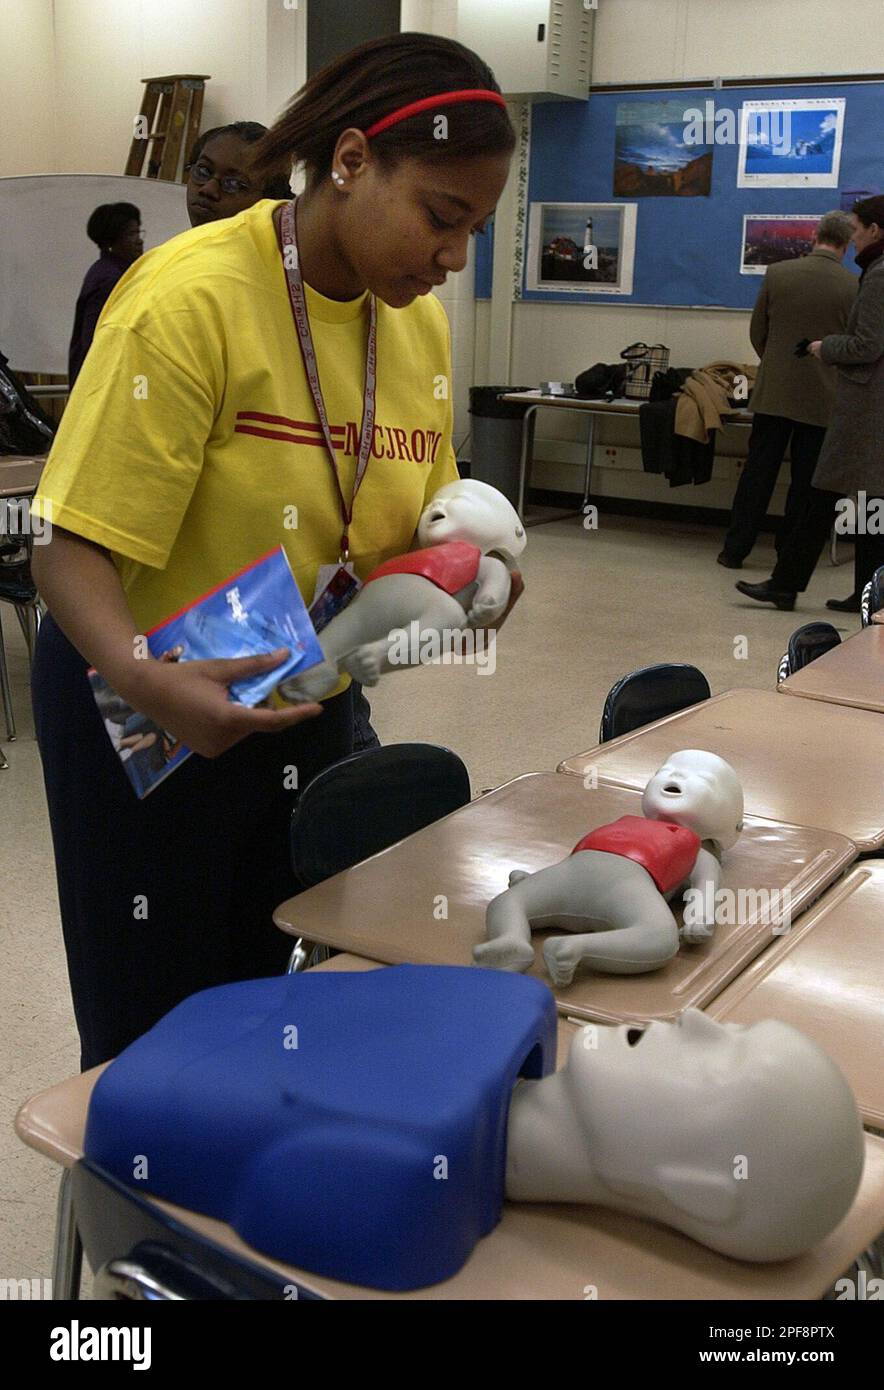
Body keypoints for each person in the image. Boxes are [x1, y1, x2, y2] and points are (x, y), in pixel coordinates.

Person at [30, 32, 518, 1069]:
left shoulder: (415, 328)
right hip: (144, 690)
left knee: (274, 970)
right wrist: (140, 674)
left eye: (474, 228)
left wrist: (468, 574)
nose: (451, 256)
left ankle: (252, 1188)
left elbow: (419, 521)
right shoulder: (188, 297)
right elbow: (65, 553)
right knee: (155, 1007)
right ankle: (141, 1209)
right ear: (349, 162)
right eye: (440, 215)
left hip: (302, 675)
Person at [185, 119, 380, 748]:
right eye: (202, 172)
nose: (210, 191)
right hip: (184, 660)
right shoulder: (174, 291)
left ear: (274, 196)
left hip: (312, 647)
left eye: (233, 180)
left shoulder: (380, 313)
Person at [737, 196, 884, 612]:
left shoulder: (876, 276)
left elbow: (867, 344)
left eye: (858, 227)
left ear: (875, 229)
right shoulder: (862, 277)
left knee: (822, 495)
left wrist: (825, 346)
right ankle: (868, 594)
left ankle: (786, 584)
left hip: (864, 405)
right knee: (868, 503)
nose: (853, 237)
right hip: (865, 405)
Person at [718, 210, 856, 570]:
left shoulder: (778, 273)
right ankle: (787, 554)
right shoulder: (852, 286)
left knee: (757, 474)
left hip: (775, 393)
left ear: (815, 236)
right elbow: (851, 345)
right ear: (845, 245)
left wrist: (776, 362)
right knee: (805, 483)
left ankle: (735, 549)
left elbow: (757, 330)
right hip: (823, 398)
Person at [68, 203, 143, 386]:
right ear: (112, 242)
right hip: (103, 383)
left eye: (139, 232)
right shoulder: (110, 279)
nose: (139, 240)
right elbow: (94, 340)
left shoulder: (105, 270)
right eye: (132, 234)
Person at [184, 121, 293, 227]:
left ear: (268, 202)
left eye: (233, 183)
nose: (208, 189)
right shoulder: (180, 243)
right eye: (203, 171)